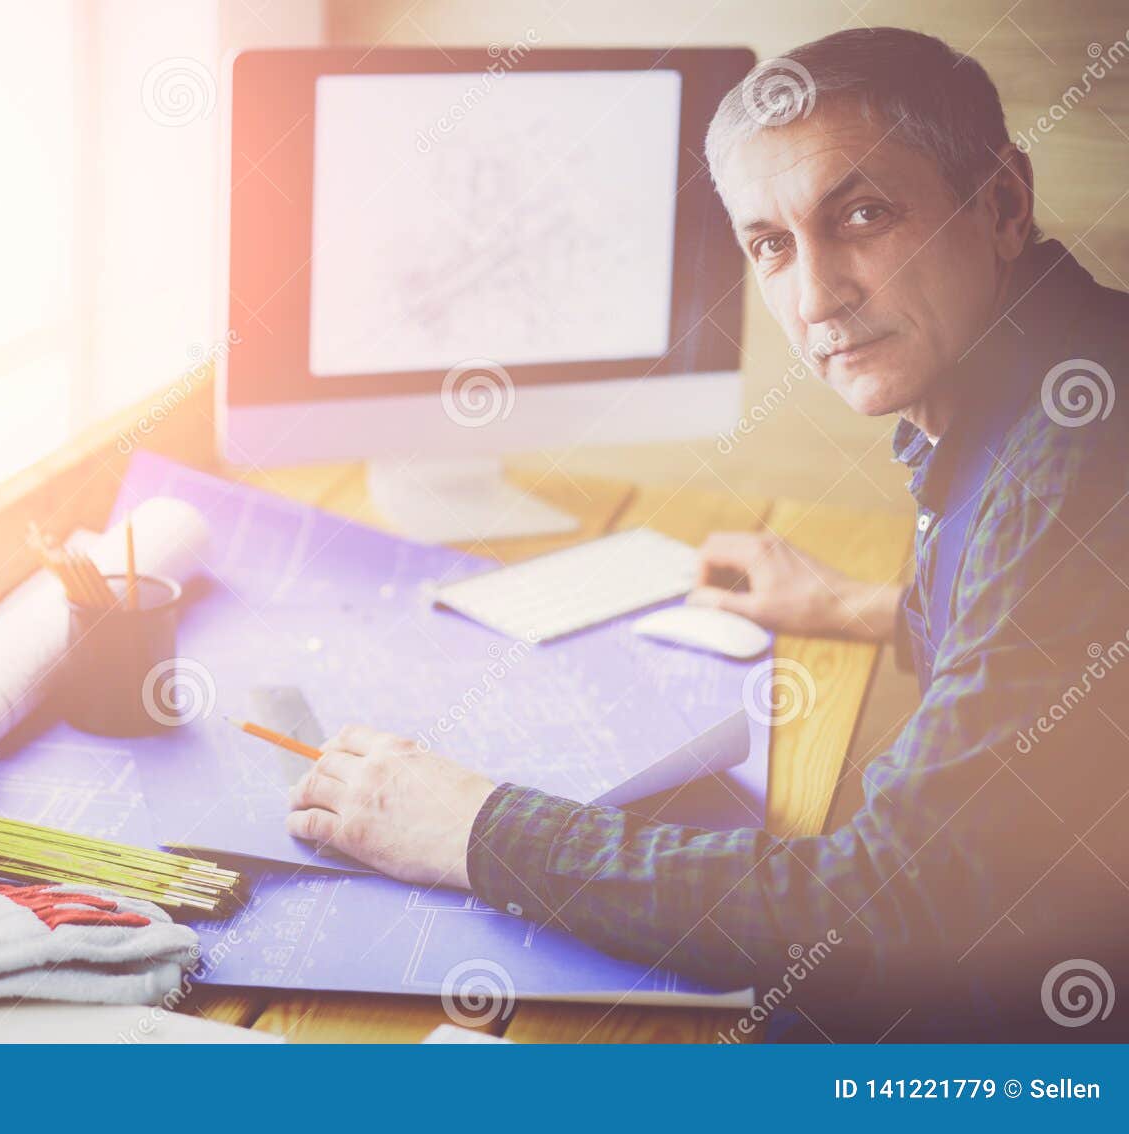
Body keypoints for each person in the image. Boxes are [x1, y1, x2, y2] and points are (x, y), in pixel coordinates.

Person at [284, 27, 1129, 1039]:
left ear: (999, 202)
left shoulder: (1080, 462)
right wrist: (857, 606)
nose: (815, 298)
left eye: (863, 214)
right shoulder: (1049, 371)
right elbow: (1057, 654)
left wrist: (471, 827)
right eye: (770, 244)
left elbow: (883, 902)